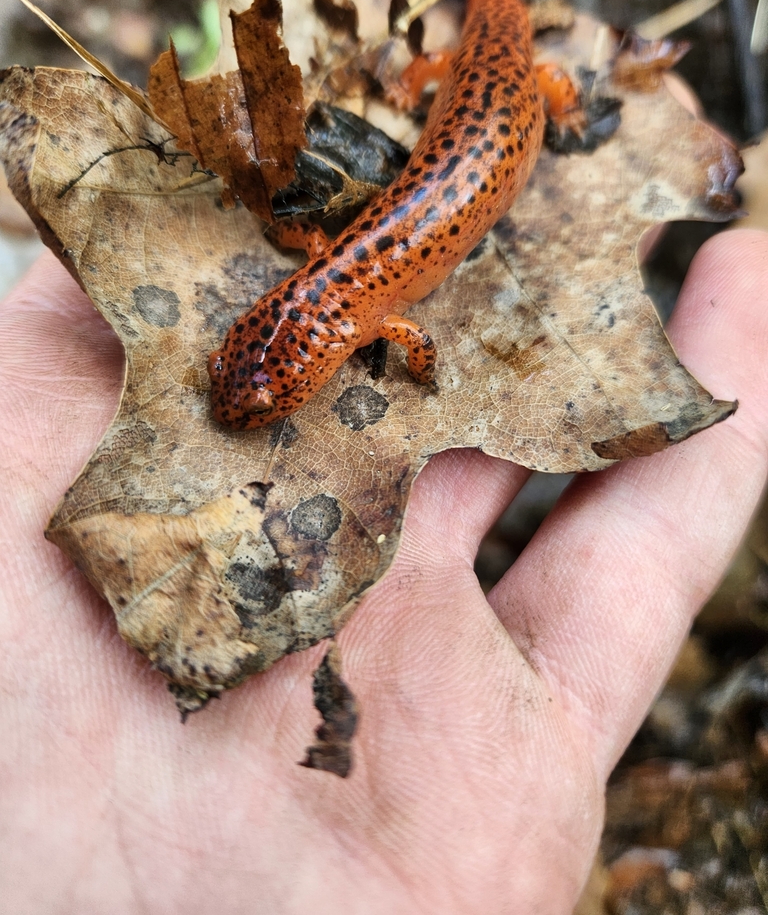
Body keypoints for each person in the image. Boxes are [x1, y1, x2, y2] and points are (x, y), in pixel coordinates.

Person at [1, 223, 766, 913]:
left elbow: (415, 340)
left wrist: (430, 385)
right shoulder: (337, 294)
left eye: (269, 399)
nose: (238, 410)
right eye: (228, 372)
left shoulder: (364, 310)